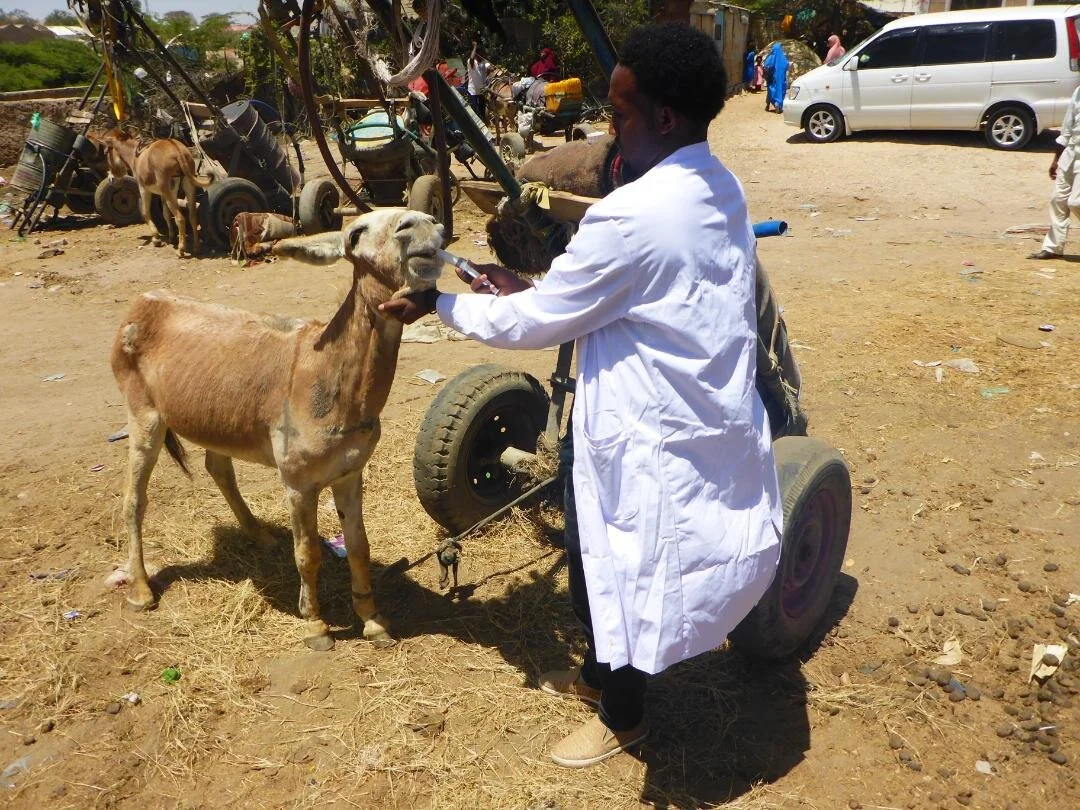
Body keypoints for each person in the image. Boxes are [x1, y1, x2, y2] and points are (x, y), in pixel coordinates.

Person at [381, 22, 782, 768]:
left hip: (649, 432)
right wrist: (526, 286)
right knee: (621, 563)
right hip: (698, 415)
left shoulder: (630, 215)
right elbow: (605, 295)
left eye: (619, 114)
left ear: (663, 117)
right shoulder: (716, 183)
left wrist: (439, 305)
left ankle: (622, 715)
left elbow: (537, 323)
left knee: (616, 568)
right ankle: (601, 677)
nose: (608, 129)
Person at [1030, 84, 1080, 260]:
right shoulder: (1078, 91)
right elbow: (1067, 128)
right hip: (1071, 153)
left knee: (1076, 202)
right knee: (1058, 200)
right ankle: (1053, 247)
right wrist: (1056, 159)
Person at [466, 39, 491, 121]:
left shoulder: (484, 62)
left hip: (482, 90)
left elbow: (489, 68)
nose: (484, 54)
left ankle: (484, 125)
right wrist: (475, 47)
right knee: (476, 110)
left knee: (482, 110)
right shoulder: (471, 62)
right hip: (473, 90)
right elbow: (472, 57)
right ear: (477, 54)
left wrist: (490, 69)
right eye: (482, 53)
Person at [763, 41, 789, 113]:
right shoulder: (783, 57)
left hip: (772, 78)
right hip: (781, 79)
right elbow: (787, 65)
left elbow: (766, 65)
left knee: (771, 91)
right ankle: (778, 104)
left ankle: (769, 105)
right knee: (780, 91)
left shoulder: (771, 57)